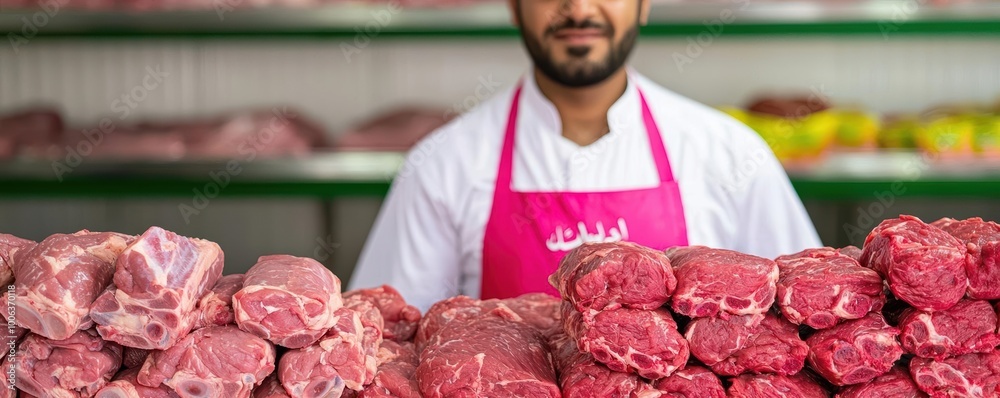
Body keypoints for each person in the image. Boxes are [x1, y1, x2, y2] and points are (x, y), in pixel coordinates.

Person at [349, 0, 821, 311]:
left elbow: (806, 312)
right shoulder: (443, 163)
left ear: (644, 6)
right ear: (513, 7)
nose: (576, 8)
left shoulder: (729, 152)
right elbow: (393, 338)